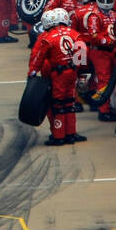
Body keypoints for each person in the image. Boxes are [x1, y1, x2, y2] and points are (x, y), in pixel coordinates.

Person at [28, 8, 88, 145]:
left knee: (57, 104)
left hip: (57, 73)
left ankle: (58, 136)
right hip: (72, 72)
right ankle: (71, 134)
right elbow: (83, 51)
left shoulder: (47, 37)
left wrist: (31, 73)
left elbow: (38, 57)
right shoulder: (74, 34)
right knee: (70, 103)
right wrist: (80, 71)